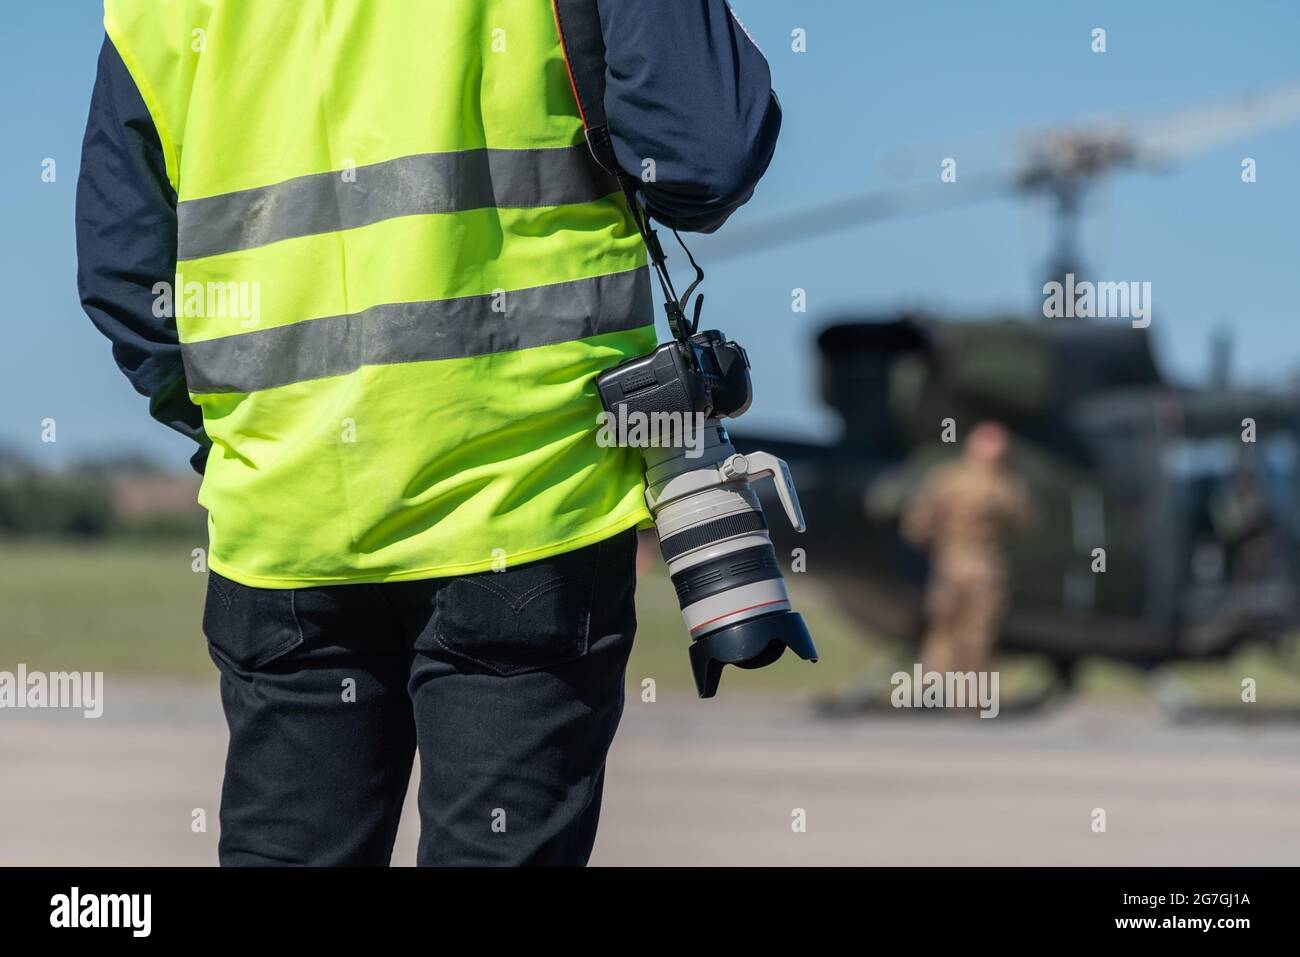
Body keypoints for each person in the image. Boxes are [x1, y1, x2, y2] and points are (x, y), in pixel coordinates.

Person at [76, 0, 780, 866]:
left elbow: (123, 274)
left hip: (285, 525)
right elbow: (709, 154)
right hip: (527, 508)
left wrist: (247, 434)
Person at [902, 422, 1033, 680]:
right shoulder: (1004, 484)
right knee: (977, 635)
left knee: (941, 632)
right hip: (985, 568)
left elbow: (916, 526)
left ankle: (929, 693)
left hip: (948, 565)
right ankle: (968, 701)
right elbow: (1024, 520)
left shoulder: (945, 478)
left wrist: (939, 547)